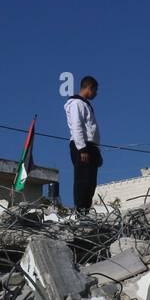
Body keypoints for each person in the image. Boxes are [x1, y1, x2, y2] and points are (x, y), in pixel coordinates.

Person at [65, 75, 101, 211]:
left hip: (91, 147)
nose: (96, 94)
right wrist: (82, 149)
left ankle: (85, 210)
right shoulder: (76, 104)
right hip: (82, 146)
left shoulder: (85, 104)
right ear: (89, 88)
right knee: (83, 180)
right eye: (95, 91)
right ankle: (80, 210)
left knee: (91, 182)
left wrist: (97, 151)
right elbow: (77, 126)